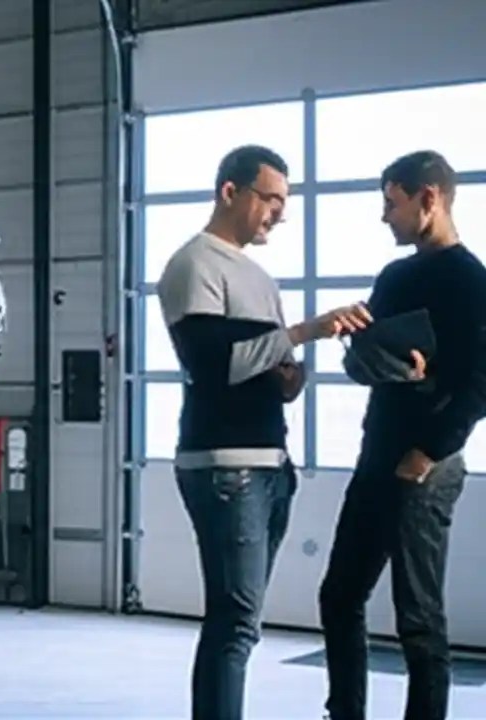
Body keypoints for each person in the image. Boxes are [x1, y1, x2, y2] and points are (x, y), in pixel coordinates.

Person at [156, 144, 372, 720]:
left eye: (285, 202)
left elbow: (267, 373)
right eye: (271, 198)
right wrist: (302, 332)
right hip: (226, 466)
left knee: (241, 623)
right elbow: (213, 365)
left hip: (268, 464)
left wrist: (293, 368)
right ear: (231, 191)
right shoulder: (194, 264)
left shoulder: (258, 276)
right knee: (233, 623)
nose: (279, 212)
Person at [318, 150, 486, 720]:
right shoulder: (393, 276)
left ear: (429, 198)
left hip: (426, 468)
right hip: (377, 455)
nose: (384, 216)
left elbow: (481, 383)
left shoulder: (471, 281)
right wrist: (369, 356)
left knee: (418, 619)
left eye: (392, 204)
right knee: (339, 597)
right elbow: (366, 360)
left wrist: (428, 450)